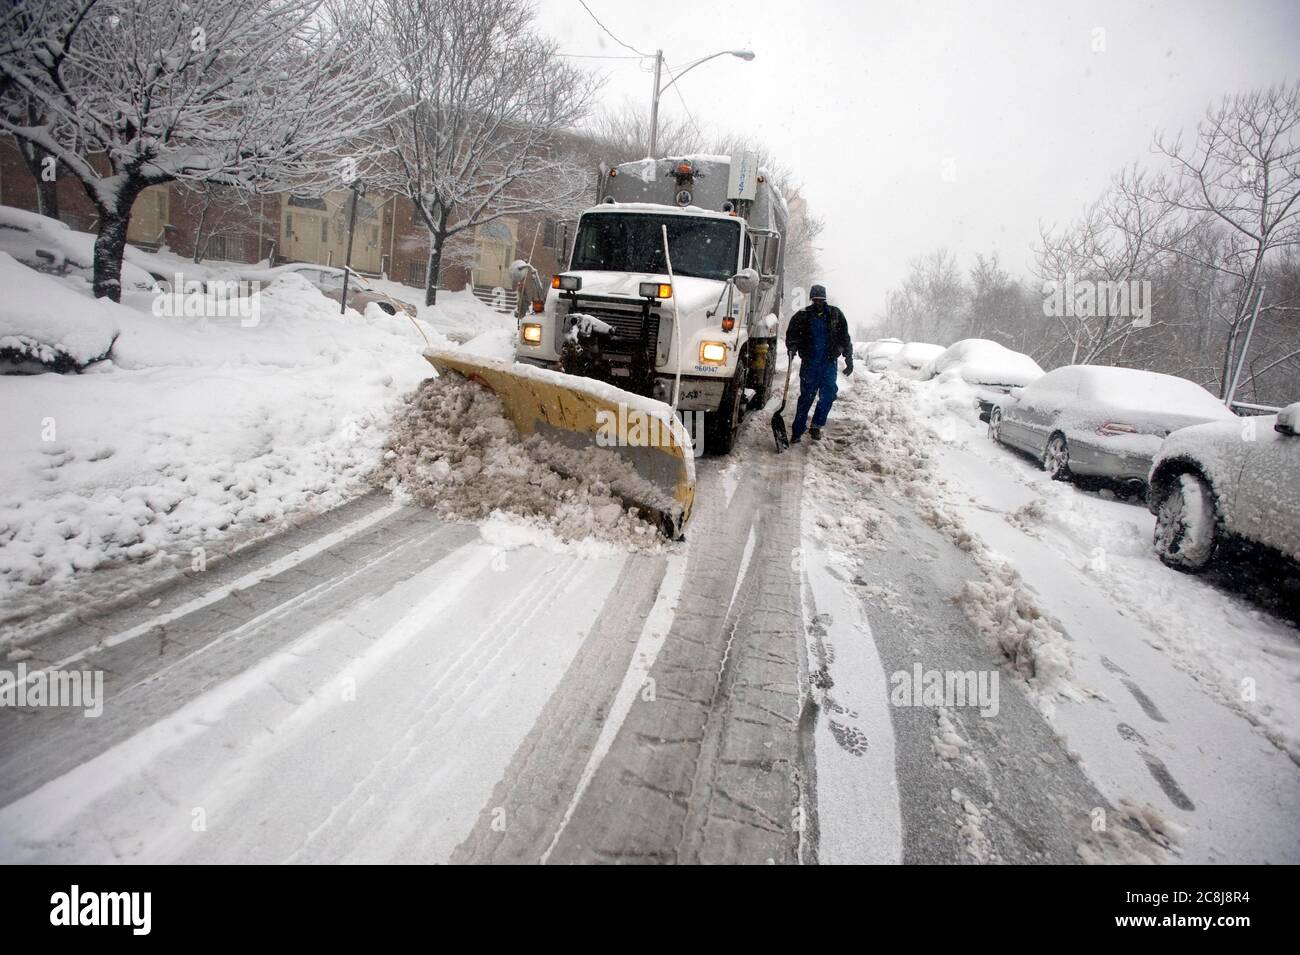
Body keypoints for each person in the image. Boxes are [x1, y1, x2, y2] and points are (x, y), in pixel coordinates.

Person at [784, 284, 853, 443]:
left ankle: (816, 425)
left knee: (828, 394)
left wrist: (848, 358)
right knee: (806, 398)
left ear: (825, 300)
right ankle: (797, 431)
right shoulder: (802, 316)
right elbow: (792, 335)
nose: (818, 303)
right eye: (815, 300)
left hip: (828, 363)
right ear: (811, 299)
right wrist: (792, 348)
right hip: (809, 364)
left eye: (821, 300)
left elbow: (845, 338)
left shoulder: (835, 315)